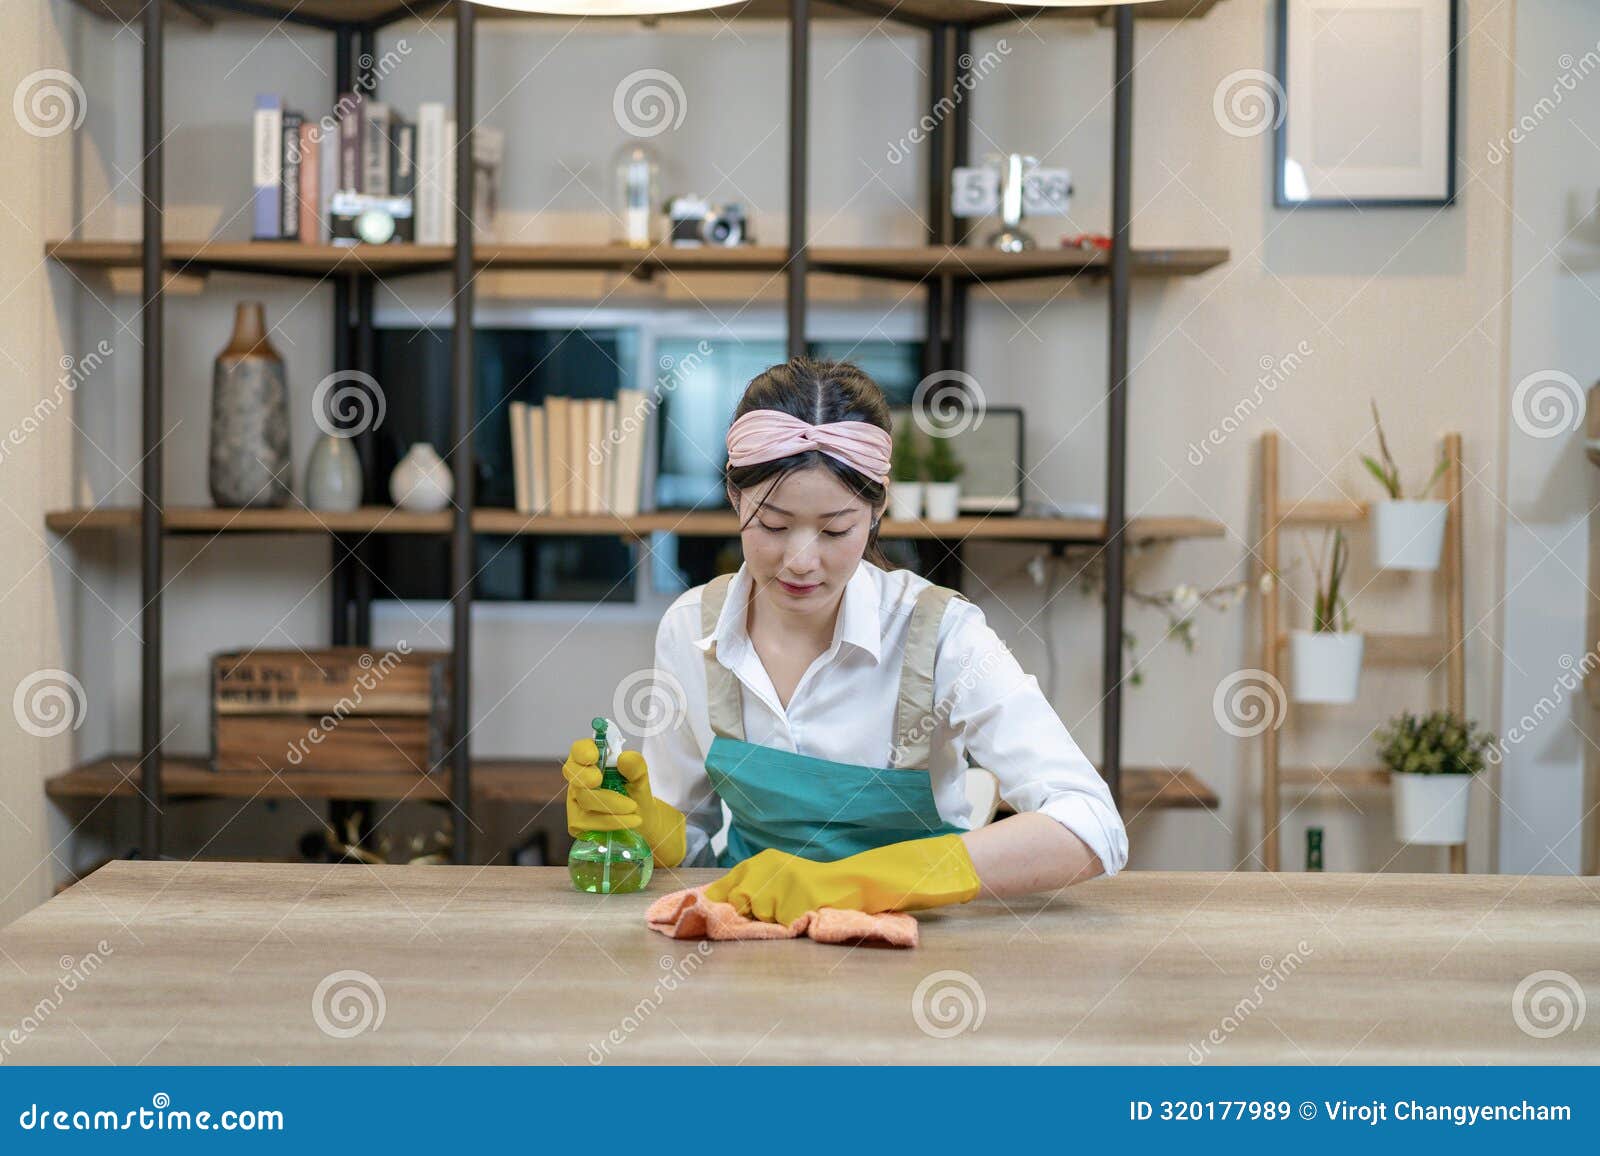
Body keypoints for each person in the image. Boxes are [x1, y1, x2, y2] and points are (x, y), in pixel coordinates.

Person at [563, 356, 1127, 925]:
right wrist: (646, 825)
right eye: (773, 526)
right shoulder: (692, 628)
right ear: (736, 500)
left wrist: (856, 884)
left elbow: (1092, 823)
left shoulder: (940, 635)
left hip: (917, 951)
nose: (801, 561)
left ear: (878, 508)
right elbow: (697, 839)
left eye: (836, 529)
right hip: (748, 934)